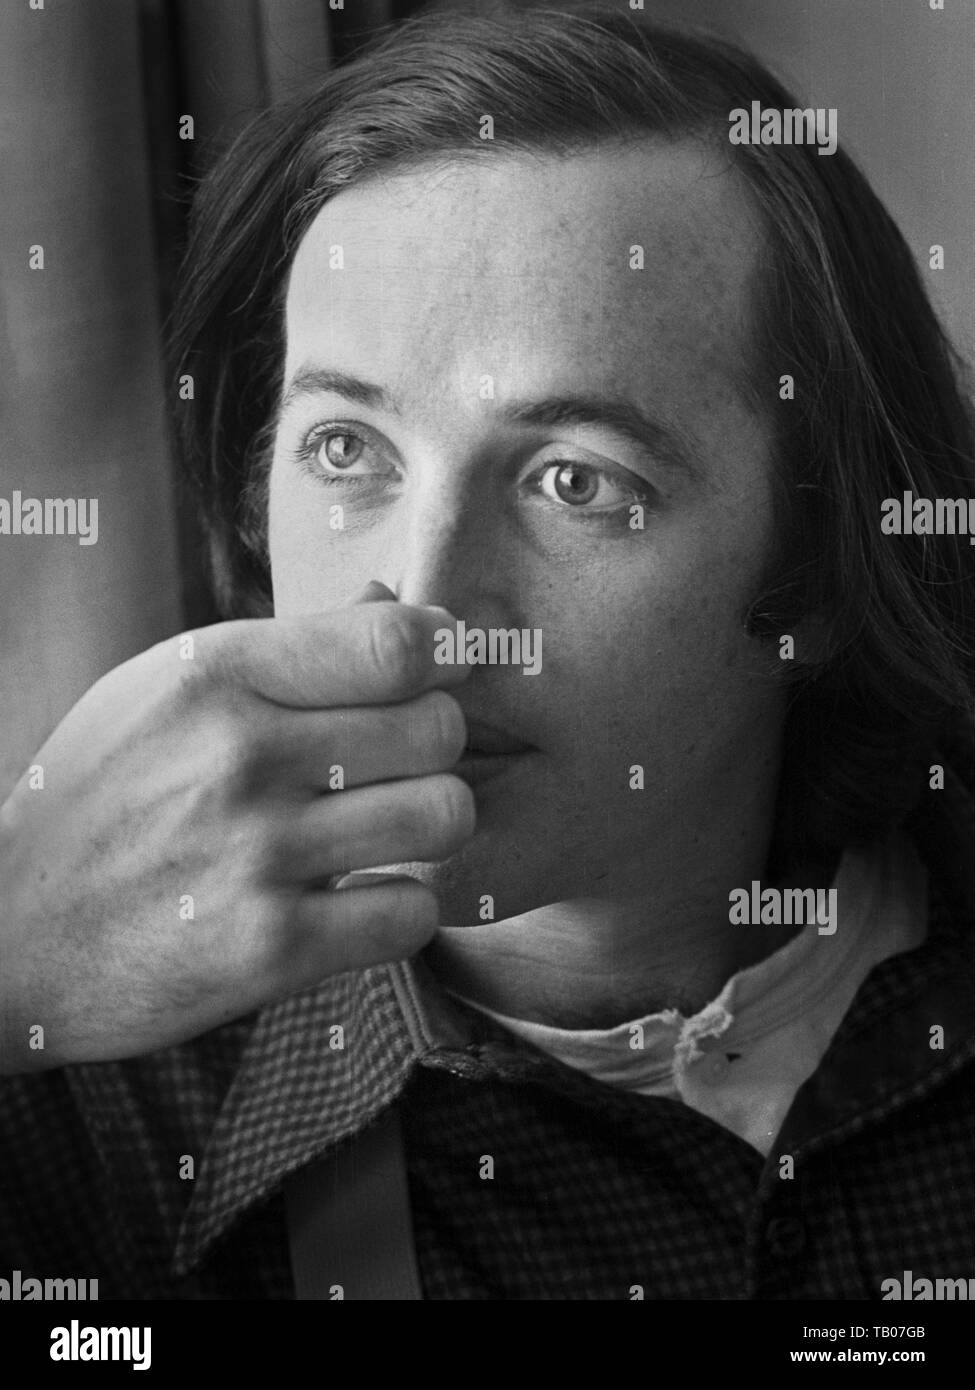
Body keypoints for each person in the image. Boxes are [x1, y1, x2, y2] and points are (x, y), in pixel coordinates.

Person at [2, 7, 975, 1300]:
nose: (421, 608)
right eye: (346, 449)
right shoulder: (79, 1102)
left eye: (575, 479)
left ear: (822, 565)